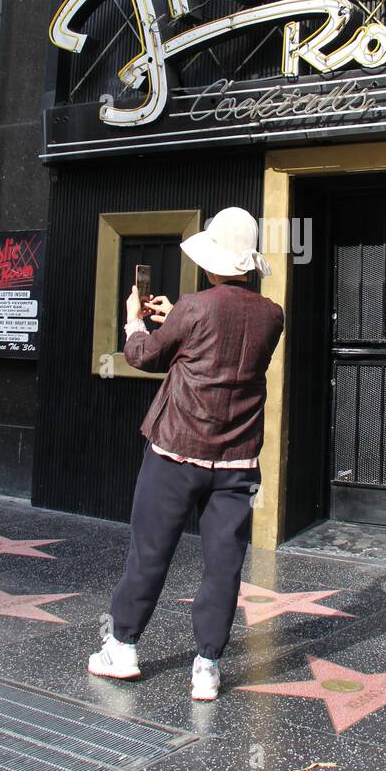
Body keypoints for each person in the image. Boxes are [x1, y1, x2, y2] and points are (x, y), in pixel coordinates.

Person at [88, 207, 284, 701]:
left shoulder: (193, 308)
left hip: (175, 453)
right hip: (238, 461)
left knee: (150, 552)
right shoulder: (271, 315)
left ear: (212, 260)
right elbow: (225, 346)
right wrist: (178, 315)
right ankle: (208, 667)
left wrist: (136, 321)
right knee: (224, 564)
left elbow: (146, 357)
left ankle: (124, 648)